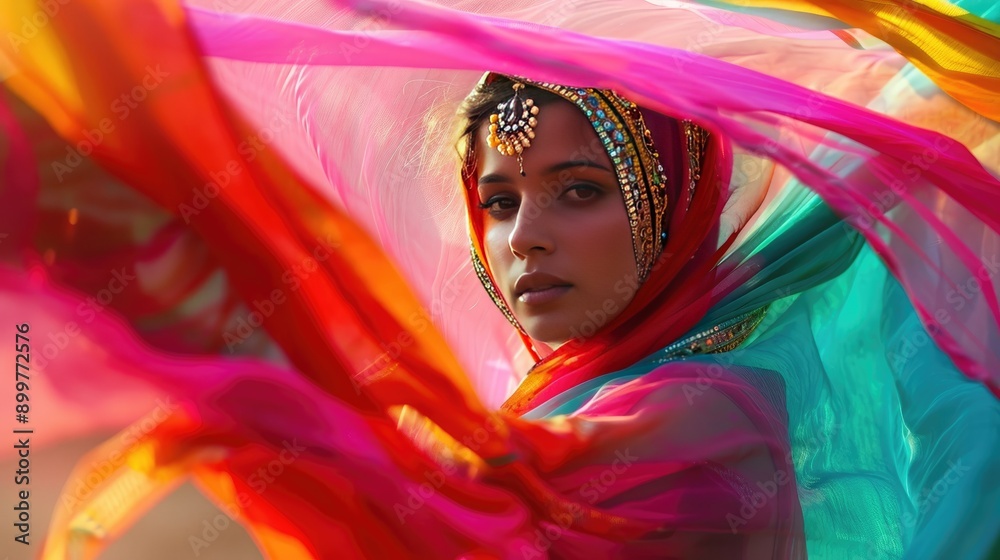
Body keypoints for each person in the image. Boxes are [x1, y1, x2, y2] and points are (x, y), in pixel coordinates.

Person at [1, 0, 999, 559]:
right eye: (500, 200)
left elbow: (460, 511)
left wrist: (214, 318)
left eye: (576, 192)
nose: (525, 236)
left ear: (673, 212)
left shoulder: (704, 406)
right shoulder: (579, 393)